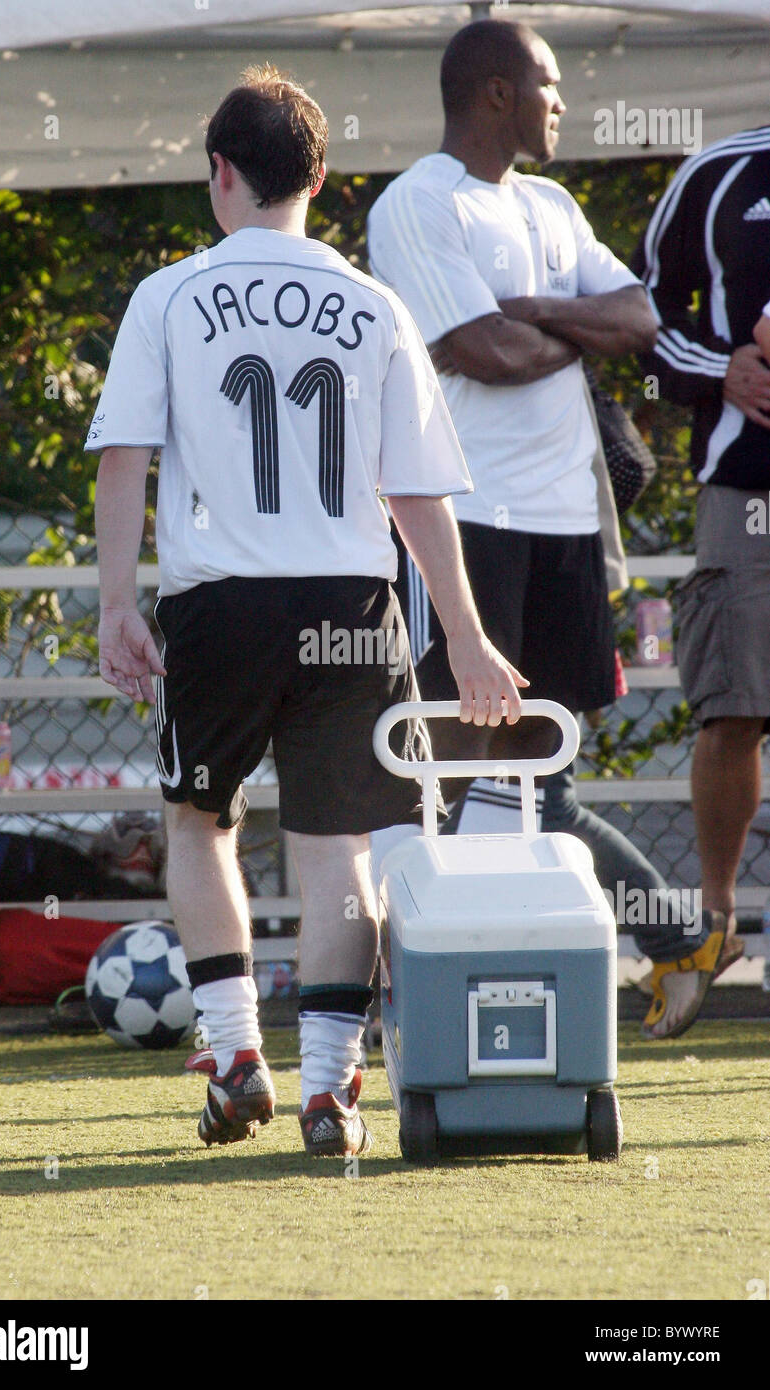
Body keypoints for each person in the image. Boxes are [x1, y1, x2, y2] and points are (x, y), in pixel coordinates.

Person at [87, 65, 527, 1158]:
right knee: (339, 847)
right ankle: (331, 1087)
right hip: (351, 602)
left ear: (219, 174)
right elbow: (415, 495)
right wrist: (467, 639)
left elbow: (124, 460)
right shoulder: (375, 306)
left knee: (202, 820)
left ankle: (235, 1052)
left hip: (221, 605)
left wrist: (113, 607)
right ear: (321, 179)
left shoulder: (171, 295)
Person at [367, 17, 726, 1040]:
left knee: (543, 773)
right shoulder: (414, 205)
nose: (560, 101)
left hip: (569, 521)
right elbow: (484, 350)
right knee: (453, 775)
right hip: (463, 520)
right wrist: (553, 321)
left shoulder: (552, 203)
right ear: (492, 92)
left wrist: (533, 308)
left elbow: (638, 321)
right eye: (547, 83)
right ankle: (656, 942)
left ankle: (639, 953)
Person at [633, 129, 770, 1005]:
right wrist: (720, 367)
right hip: (745, 489)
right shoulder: (718, 170)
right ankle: (714, 926)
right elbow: (639, 314)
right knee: (733, 706)